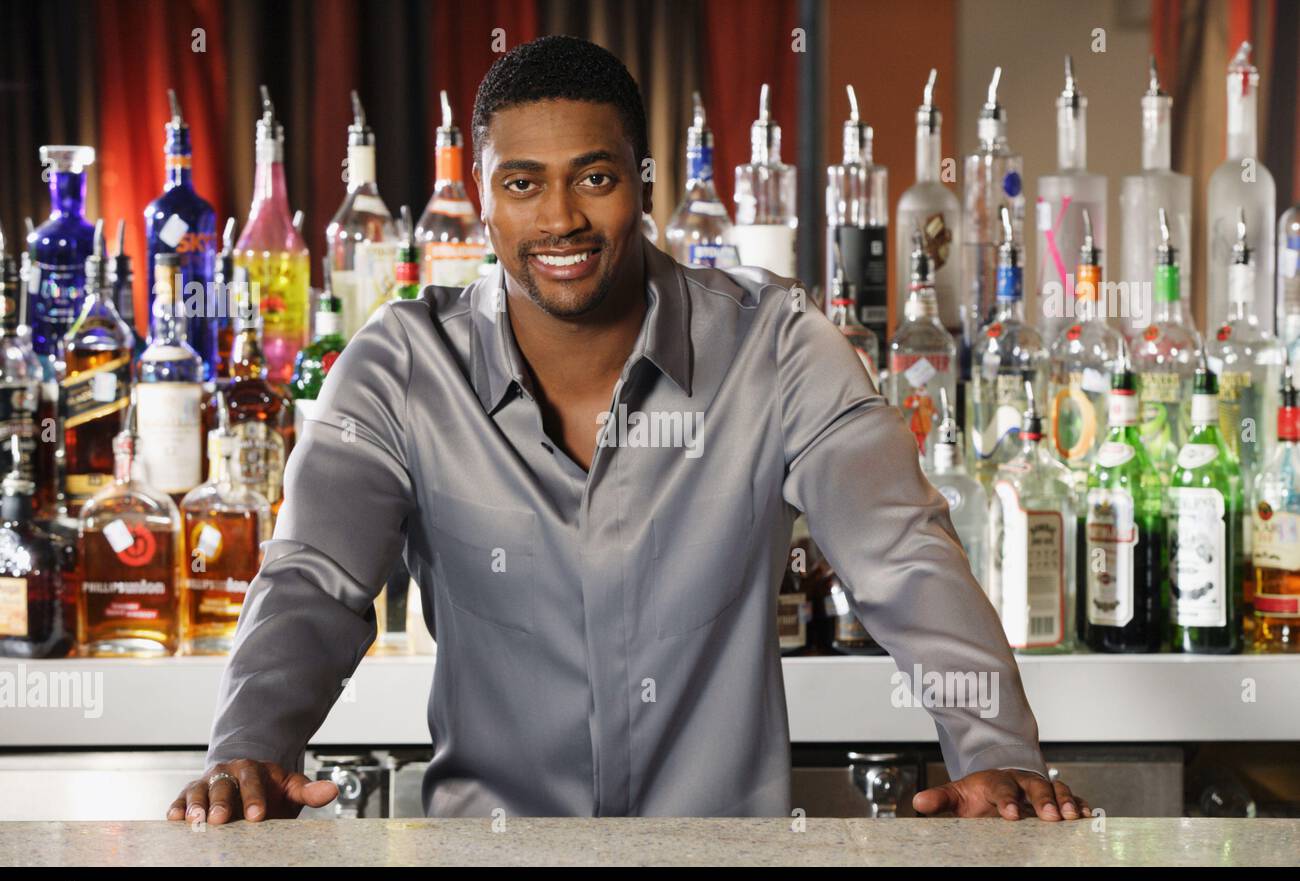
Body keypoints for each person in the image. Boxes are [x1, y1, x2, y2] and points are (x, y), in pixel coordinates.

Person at [170, 35, 1088, 824]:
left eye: (594, 178)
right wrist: (247, 746)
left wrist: (995, 752)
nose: (560, 217)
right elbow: (315, 581)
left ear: (642, 182)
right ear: (480, 199)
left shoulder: (776, 344)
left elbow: (902, 555)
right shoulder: (403, 366)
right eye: (522, 183)